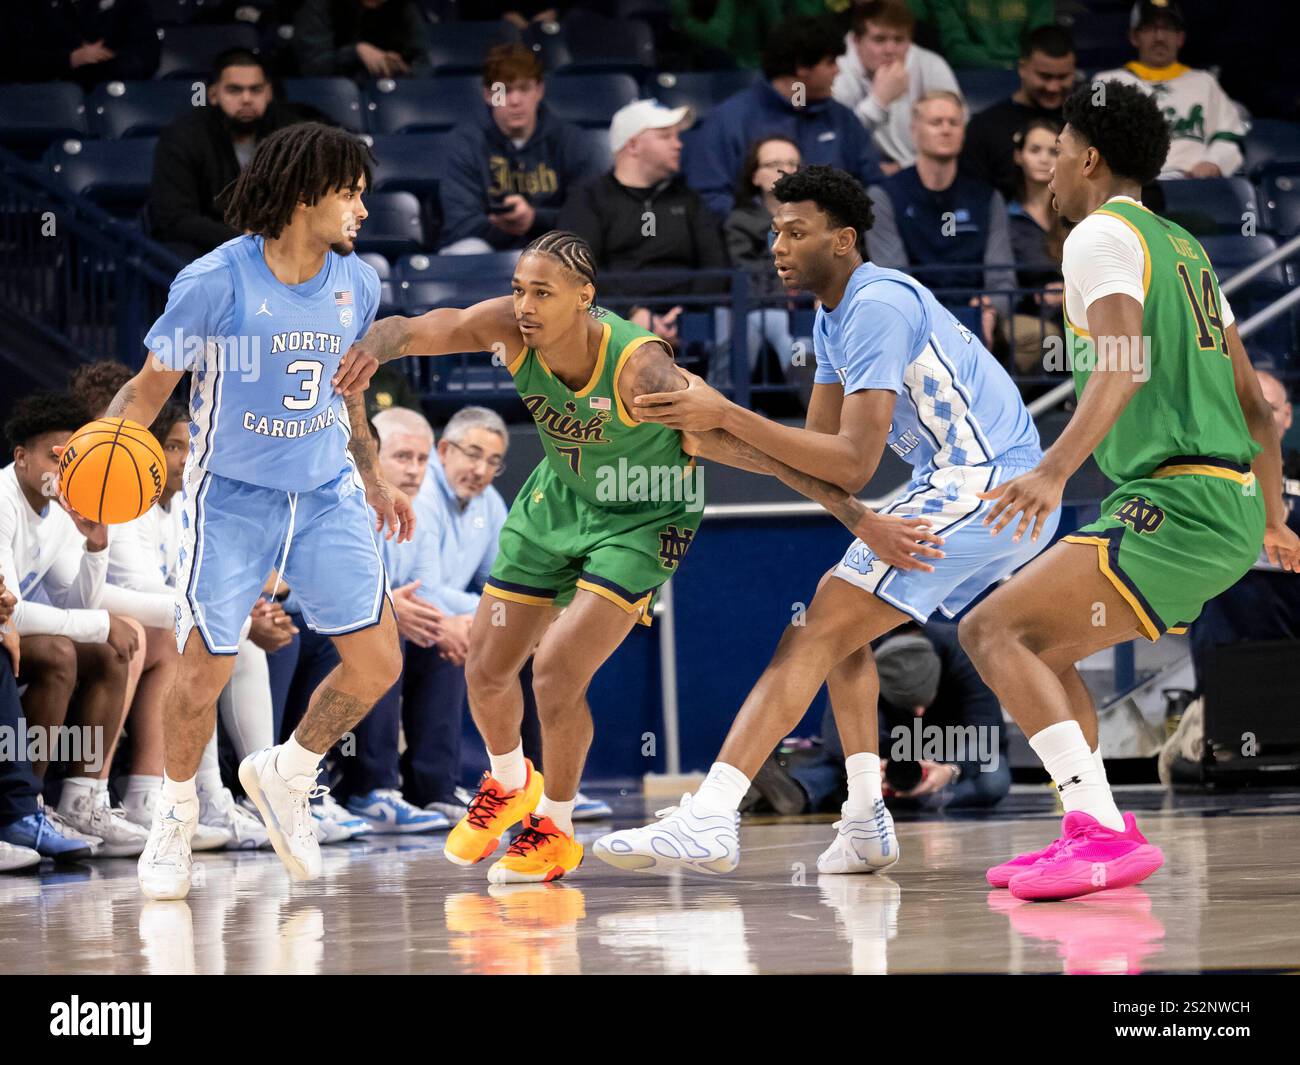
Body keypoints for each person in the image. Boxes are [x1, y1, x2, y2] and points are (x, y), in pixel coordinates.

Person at [334, 229, 888, 882]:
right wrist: (366, 345)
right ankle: (510, 780)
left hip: (645, 511)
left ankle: (555, 827)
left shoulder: (638, 366)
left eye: (543, 292)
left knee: (556, 670)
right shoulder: (509, 330)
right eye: (518, 288)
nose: (525, 305)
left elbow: (737, 445)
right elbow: (419, 327)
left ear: (585, 298)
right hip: (560, 498)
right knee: (486, 667)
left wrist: (851, 510)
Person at [590, 165, 1054, 877]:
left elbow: (854, 461)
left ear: (843, 240)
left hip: (996, 483)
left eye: (796, 231)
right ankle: (867, 817)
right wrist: (710, 436)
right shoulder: (833, 313)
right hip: (957, 482)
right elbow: (815, 463)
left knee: (816, 624)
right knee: (838, 630)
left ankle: (712, 815)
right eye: (774, 230)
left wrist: (729, 413)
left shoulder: (876, 304)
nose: (777, 245)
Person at [956, 80, 1300, 902]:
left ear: (1089, 156)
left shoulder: (1100, 235)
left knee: (989, 628)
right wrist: (1275, 516)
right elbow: (1258, 406)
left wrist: (1051, 470)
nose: (1047, 173)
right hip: (1217, 503)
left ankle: (1099, 831)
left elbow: (1120, 364)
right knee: (1043, 645)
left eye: (1057, 150)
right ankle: (1094, 822)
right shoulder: (1184, 247)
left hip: (1177, 500)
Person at [93, 121, 413, 900]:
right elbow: (148, 388)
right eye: (351, 193)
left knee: (380, 662)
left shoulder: (358, 282)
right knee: (207, 667)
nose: (363, 210)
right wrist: (96, 465)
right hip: (231, 496)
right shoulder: (215, 281)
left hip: (326, 490)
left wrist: (372, 475)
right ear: (307, 194)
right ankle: (173, 815)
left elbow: (352, 388)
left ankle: (290, 768)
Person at [107, 402, 273, 851]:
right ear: (149, 450)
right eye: (173, 446)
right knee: (203, 642)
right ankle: (203, 794)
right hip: (118, 614)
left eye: (189, 446)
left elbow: (208, 575)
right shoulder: (125, 494)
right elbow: (133, 582)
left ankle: (264, 794)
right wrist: (210, 614)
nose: (184, 458)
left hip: (158, 618)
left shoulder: (185, 501)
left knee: (241, 646)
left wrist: (233, 607)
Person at [755, 622, 1010, 814]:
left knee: (992, 778)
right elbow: (836, 733)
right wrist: (871, 763)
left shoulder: (965, 652)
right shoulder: (860, 655)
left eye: (925, 702)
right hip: (886, 752)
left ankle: (874, 797)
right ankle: (800, 792)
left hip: (949, 750)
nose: (919, 713)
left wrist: (951, 769)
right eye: (909, 706)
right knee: (838, 765)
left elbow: (986, 731)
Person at [400, 406, 507, 819]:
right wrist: (482, 616)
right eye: (473, 454)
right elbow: (425, 589)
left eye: (493, 462)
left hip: (449, 616)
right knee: (442, 641)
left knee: (530, 644)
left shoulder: (490, 503)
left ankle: (535, 782)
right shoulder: (422, 494)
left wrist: (510, 618)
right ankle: (432, 787)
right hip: (417, 614)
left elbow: (502, 581)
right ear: (444, 450)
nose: (481, 469)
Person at [557, 99, 727, 356]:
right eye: (665, 136)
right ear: (633, 144)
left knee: (728, 322)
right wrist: (631, 313)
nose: (678, 144)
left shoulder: (688, 199)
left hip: (689, 320)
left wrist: (685, 312)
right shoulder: (588, 198)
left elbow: (716, 266)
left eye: (677, 136)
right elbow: (577, 270)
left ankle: (715, 396)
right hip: (611, 322)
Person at [683, 15, 884, 220]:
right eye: (830, 63)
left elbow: (873, 186)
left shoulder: (842, 119)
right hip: (760, 246)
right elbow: (708, 197)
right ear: (802, 68)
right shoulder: (729, 121)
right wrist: (768, 227)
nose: (837, 71)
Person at [867, 91, 1015, 350]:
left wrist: (992, 309)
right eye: (936, 123)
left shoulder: (988, 197)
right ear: (914, 130)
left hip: (978, 313)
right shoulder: (884, 196)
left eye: (954, 123)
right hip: (911, 318)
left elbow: (1001, 276)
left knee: (1030, 336)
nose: (946, 130)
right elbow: (894, 278)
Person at [150, 49, 323, 264]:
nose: (246, 99)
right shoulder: (183, 137)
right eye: (234, 90)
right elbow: (174, 217)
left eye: (255, 90)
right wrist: (244, 238)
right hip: (210, 246)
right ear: (213, 95)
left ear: (268, 92)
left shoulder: (293, 132)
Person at [1186, 369, 1300, 687]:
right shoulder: (1202, 475)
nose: (1257, 420)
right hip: (1222, 651)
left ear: (1288, 416)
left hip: (1291, 646)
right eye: (1248, 409)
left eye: (1270, 410)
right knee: (1230, 732)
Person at [440, 44, 601, 255]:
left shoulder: (571, 140)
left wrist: (534, 218)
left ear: (539, 90)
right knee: (467, 251)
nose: (515, 100)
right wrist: (501, 226)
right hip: (489, 253)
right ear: (488, 95)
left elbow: (587, 215)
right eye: (503, 90)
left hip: (555, 253)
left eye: (524, 89)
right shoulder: (465, 143)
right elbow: (459, 222)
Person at [0, 570, 93, 865]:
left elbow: (84, 601)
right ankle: (19, 809)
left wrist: (96, 550)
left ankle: (25, 811)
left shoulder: (64, 525)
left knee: (114, 652)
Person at [1094, 1, 1248, 179]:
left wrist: (1214, 162)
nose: (1159, 37)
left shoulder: (1206, 82)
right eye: (1150, 28)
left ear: (1180, 38)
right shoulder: (1103, 82)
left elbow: (1229, 138)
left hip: (1193, 186)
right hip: (1130, 186)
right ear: (1134, 37)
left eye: (1167, 28)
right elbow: (1090, 137)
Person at [831, 1, 960, 172]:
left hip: (919, 171)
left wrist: (905, 167)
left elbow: (957, 133)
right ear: (856, 41)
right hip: (853, 174)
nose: (890, 50)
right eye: (879, 39)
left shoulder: (931, 65)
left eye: (899, 40)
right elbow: (833, 143)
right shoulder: (836, 70)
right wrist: (878, 102)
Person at [724, 136, 809, 384]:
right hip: (763, 308)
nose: (785, 171)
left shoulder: (819, 217)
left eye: (793, 164)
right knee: (789, 333)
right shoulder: (740, 221)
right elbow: (747, 274)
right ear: (755, 176)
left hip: (812, 306)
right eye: (773, 164)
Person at [960, 25, 1077, 202]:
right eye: (1045, 77)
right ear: (1023, 68)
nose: (1053, 87)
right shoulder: (984, 127)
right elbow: (972, 199)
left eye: (1062, 77)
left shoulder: (1083, 125)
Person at [1006, 117, 1066, 374]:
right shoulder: (1005, 215)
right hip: (1028, 312)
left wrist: (1069, 293)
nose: (1044, 159)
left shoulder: (1076, 213)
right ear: (1019, 156)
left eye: (1053, 152)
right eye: (1034, 150)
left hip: (1076, 310)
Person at [14, 0, 159, 90]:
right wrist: (70, 59)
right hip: (55, 92)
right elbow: (21, 59)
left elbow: (145, 58)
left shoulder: (135, 7)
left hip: (122, 88)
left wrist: (99, 60)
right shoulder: (38, 8)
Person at [293, 0, 431, 79]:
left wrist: (402, 69)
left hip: (392, 97)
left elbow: (424, 63)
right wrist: (357, 52)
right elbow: (313, 68)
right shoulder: (320, 6)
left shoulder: (404, 6)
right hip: (331, 99)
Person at [923, 0, 1056, 71]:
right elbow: (957, 50)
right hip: (971, 72)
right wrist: (1009, 64)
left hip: (1029, 73)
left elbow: (1042, 47)